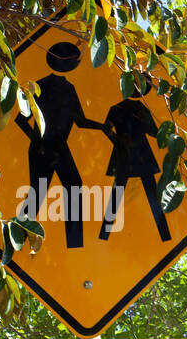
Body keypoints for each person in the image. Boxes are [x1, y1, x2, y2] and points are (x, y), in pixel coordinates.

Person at [14, 41, 105, 249]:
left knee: (53, 189)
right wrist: (39, 140)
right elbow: (80, 121)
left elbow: (79, 121)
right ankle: (72, 242)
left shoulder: (43, 85)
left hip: (50, 147)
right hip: (50, 147)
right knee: (55, 189)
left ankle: (73, 243)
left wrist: (102, 128)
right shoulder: (48, 87)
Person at [99, 76, 170, 242]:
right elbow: (107, 128)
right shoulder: (120, 108)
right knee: (120, 193)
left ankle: (165, 235)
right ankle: (103, 235)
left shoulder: (139, 109)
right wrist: (120, 140)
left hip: (140, 154)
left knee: (151, 193)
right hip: (129, 154)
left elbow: (153, 132)